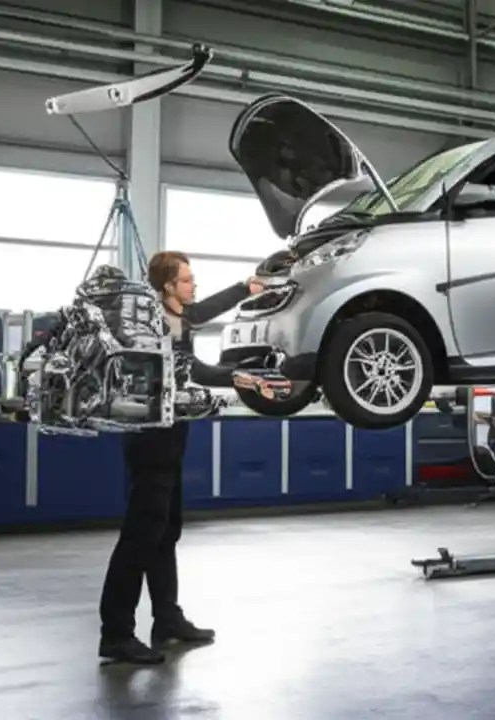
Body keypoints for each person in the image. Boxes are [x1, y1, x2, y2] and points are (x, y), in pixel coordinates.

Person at [98, 250, 288, 664]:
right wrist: (241, 377)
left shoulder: (176, 315)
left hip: (171, 434)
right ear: (167, 286)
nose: (193, 285)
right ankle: (116, 631)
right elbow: (193, 369)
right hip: (149, 439)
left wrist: (246, 287)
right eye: (186, 280)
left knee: (167, 531)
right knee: (141, 536)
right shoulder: (151, 322)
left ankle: (167, 617)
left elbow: (201, 311)